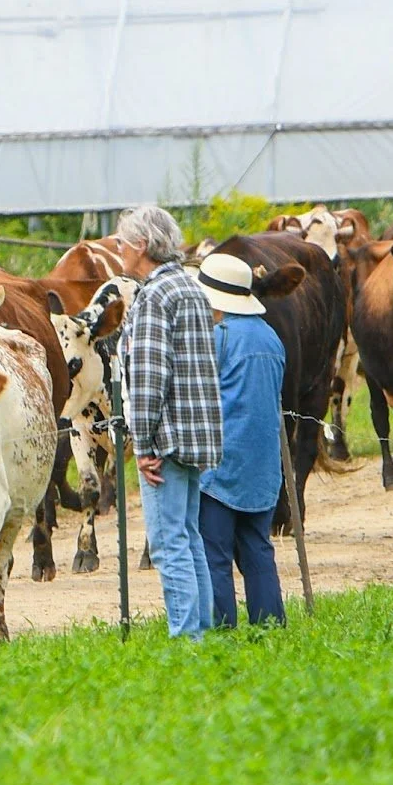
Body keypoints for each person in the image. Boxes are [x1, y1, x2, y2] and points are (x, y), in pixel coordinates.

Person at [117, 206, 223, 640]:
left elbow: (147, 376)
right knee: (189, 535)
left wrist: (142, 444)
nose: (119, 250)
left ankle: (186, 641)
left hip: (167, 438)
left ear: (142, 246)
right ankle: (201, 631)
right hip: (198, 431)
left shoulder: (154, 296)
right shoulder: (192, 289)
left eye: (123, 243)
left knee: (167, 542)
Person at [192, 253, 288, 628]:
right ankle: (269, 626)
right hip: (263, 466)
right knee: (258, 551)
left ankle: (221, 630)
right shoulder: (271, 336)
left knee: (214, 553)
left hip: (221, 467)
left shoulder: (220, 337)